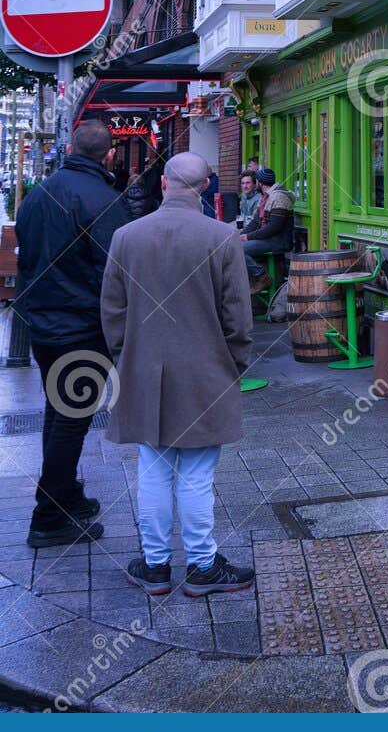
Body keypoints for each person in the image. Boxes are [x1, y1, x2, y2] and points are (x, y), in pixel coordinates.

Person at [100, 151, 255, 597]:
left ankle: (155, 565)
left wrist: (126, 354)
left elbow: (112, 309)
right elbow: (238, 318)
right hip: (206, 369)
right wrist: (234, 363)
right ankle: (203, 567)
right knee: (196, 474)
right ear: (204, 187)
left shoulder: (127, 236)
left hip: (144, 367)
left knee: (152, 467)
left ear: (164, 183)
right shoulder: (221, 237)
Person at [15, 120, 132, 548]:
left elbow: (27, 256)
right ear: (109, 154)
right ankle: (49, 518)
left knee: (59, 410)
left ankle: (65, 497)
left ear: (70, 148)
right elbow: (113, 271)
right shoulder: (104, 199)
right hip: (81, 325)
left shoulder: (39, 194)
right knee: (70, 420)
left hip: (43, 322)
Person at [241, 167, 294, 285]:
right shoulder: (266, 196)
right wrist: (239, 235)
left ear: (260, 183)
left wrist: (248, 237)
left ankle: (261, 276)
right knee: (234, 245)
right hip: (268, 239)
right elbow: (255, 222)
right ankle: (249, 282)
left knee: (238, 249)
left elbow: (274, 227)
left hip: (278, 241)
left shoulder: (279, 197)